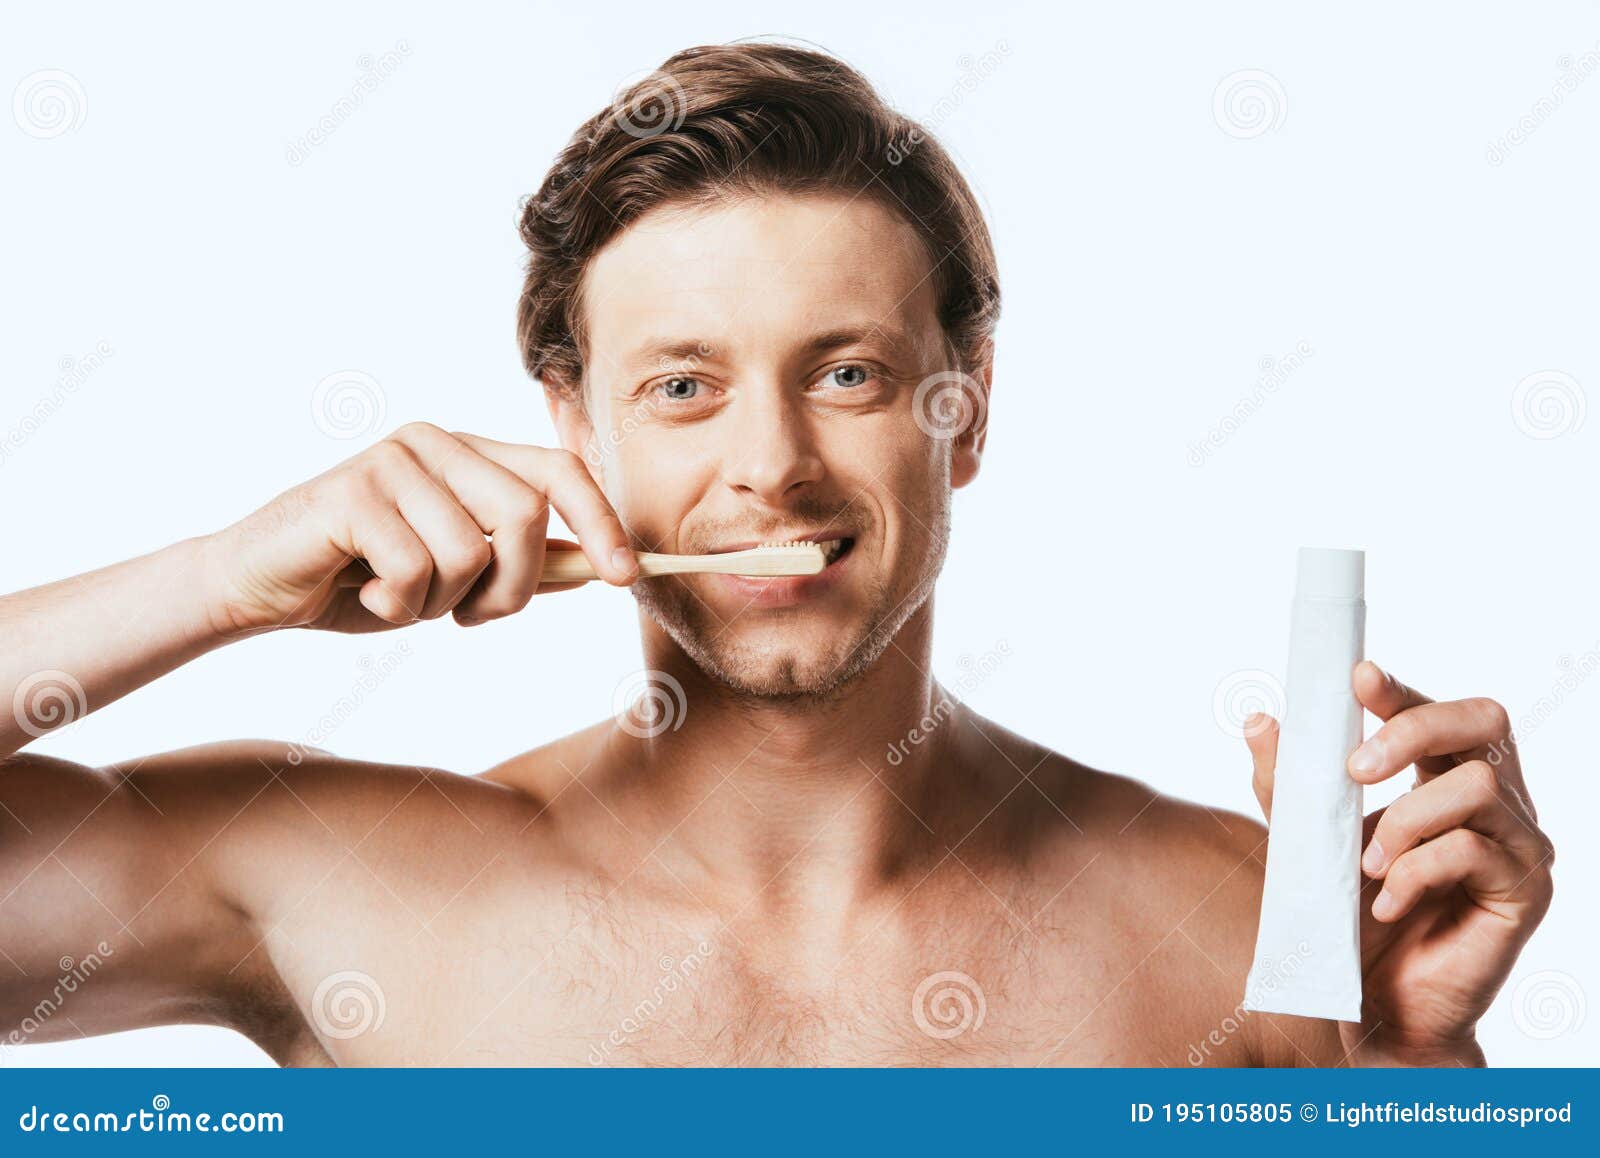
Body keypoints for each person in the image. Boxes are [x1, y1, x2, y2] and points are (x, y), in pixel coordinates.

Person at [0, 43, 1552, 1066]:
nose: (770, 464)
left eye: (848, 372)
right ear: (575, 424)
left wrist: (1417, 1078)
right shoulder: (330, 886)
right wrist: (220, 579)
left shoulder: (1252, 934)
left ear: (965, 408)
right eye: (683, 387)